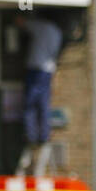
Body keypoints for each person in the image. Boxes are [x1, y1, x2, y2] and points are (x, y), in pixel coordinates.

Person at [16, 12, 62, 160]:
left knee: (30, 103)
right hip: (48, 71)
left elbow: (22, 23)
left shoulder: (41, 27)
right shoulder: (57, 32)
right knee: (43, 104)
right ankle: (43, 135)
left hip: (35, 69)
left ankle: (31, 135)